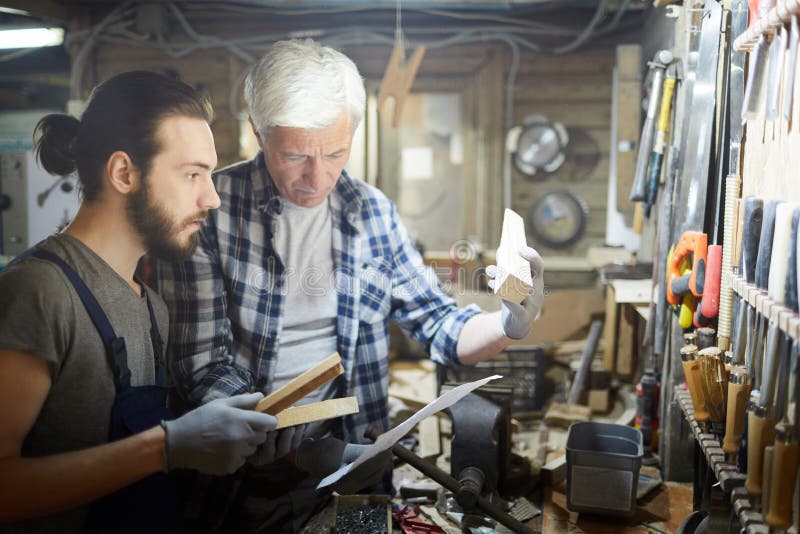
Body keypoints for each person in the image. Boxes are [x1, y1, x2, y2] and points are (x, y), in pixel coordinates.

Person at [160, 38, 544, 533]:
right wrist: (281, 434)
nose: (316, 178)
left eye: (336, 153)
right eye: (295, 155)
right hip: (241, 483)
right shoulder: (209, 211)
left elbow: (440, 327)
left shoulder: (372, 212)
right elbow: (199, 365)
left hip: (358, 471)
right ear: (258, 133)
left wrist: (509, 322)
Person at [0, 71, 284, 534]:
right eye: (192, 174)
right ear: (124, 173)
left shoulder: (152, 306)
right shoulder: (39, 292)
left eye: (209, 175)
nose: (211, 198)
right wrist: (164, 447)